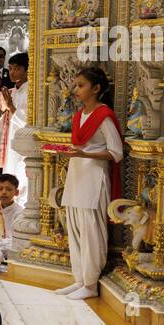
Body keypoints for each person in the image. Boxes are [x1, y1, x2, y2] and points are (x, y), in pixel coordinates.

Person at [57, 66, 122, 300]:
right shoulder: (79, 116)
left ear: (96, 89)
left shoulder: (104, 116)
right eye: (75, 85)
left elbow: (116, 152)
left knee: (91, 231)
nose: (76, 89)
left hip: (94, 179)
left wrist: (85, 155)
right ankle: (79, 280)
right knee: (74, 229)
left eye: (81, 85)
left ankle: (91, 284)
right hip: (76, 177)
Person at [0, 52, 29, 203]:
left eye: (16, 68)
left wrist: (10, 106)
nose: (12, 72)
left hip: (24, 144)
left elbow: (29, 122)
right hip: (10, 142)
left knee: (22, 182)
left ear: (27, 70)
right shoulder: (12, 92)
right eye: (10, 68)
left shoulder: (31, 92)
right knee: (10, 178)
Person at [0, 173, 23, 240]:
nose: (4, 192)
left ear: (16, 192)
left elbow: (14, 240)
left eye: (9, 189)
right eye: (0, 188)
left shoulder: (20, 213)